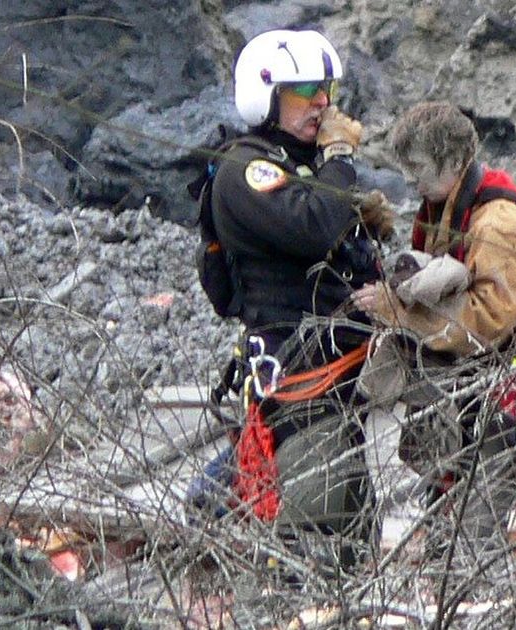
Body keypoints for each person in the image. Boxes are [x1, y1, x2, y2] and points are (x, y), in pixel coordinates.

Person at [188, 29, 394, 568]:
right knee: (318, 535)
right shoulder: (246, 170)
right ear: (268, 95)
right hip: (301, 380)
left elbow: (326, 234)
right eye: (304, 89)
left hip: (338, 372)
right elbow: (309, 229)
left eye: (325, 87)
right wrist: (341, 161)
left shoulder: (296, 165)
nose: (322, 102)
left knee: (353, 522)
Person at [351, 101, 516, 566]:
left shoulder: (497, 219)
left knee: (472, 539)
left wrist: (401, 313)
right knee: (444, 533)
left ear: (454, 162)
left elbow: (491, 317)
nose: (410, 180)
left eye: (418, 169)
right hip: (476, 393)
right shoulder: (446, 206)